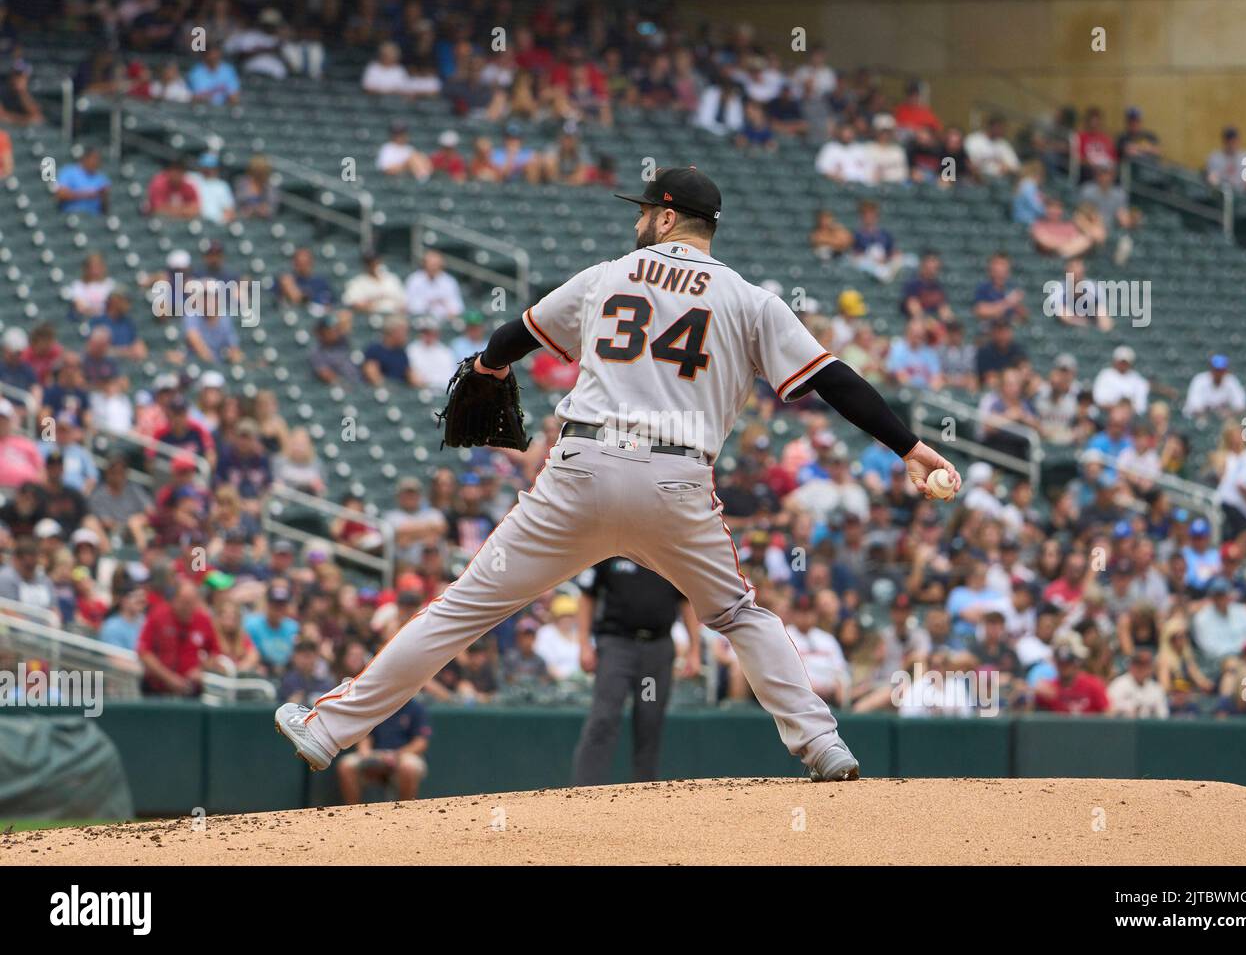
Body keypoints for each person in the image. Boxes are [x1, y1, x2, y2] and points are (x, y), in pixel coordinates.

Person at [275, 165, 961, 783]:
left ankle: (329, 729)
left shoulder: (608, 275)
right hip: (676, 478)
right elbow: (832, 380)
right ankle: (822, 745)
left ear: (665, 216)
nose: (636, 220)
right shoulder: (751, 299)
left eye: (644, 210)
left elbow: (515, 334)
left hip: (581, 468)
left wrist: (487, 367)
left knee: (461, 610)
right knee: (738, 614)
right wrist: (907, 447)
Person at [571, 558, 701, 786]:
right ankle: (584, 790)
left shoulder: (667, 552)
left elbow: (686, 601)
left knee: (649, 719)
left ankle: (644, 792)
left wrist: (695, 650)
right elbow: (587, 594)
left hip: (655, 650)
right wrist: (583, 643)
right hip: (617, 647)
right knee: (604, 716)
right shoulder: (611, 549)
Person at [335, 698, 430, 804]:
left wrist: (397, 754)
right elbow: (365, 736)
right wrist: (365, 751)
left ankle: (406, 810)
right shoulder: (377, 704)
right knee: (346, 765)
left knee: (408, 767)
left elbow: (420, 742)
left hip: (403, 755)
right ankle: (353, 810)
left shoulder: (415, 707)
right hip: (376, 755)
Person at [137, 579, 221, 695]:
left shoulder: (203, 620)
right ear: (174, 600)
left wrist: (200, 670)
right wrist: (168, 677)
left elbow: (215, 651)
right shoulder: (158, 616)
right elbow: (144, 651)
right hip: (157, 690)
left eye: (192, 603)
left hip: (191, 690)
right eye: (184, 602)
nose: (188, 608)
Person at [404, 251, 464, 322]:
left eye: (436, 265)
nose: (433, 267)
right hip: (420, 320)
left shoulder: (449, 281)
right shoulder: (414, 279)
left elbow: (458, 307)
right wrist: (429, 303)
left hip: (444, 321)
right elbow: (409, 305)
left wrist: (448, 307)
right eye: (431, 264)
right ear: (424, 264)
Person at [1183, 354, 1246, 420]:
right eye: (1216, 370)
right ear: (1211, 369)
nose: (1218, 373)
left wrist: (1228, 413)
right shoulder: (1200, 380)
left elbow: (1241, 407)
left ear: (1225, 370)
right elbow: (1194, 407)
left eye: (1221, 370)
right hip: (1197, 420)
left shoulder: (1232, 381)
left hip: (1223, 419)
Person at [55, 147, 110, 215]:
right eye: (93, 159)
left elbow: (105, 208)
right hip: (72, 216)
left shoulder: (102, 178)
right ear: (85, 159)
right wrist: (89, 194)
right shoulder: (68, 172)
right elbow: (61, 195)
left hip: (93, 218)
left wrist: (104, 196)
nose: (96, 162)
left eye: (98, 160)